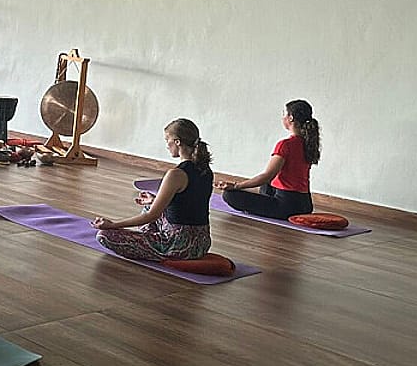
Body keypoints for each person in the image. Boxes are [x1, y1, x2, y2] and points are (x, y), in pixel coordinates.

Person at [92, 118, 213, 262]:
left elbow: (151, 216)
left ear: (177, 142)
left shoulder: (175, 174)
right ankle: (152, 240)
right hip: (202, 242)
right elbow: (189, 204)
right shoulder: (206, 170)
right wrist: (155, 201)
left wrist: (112, 225)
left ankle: (158, 248)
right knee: (150, 205)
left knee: (104, 235)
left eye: (167, 140)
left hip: (180, 246)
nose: (167, 145)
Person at [216, 99, 320, 219]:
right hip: (305, 204)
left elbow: (267, 175)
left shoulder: (285, 144)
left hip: (288, 206)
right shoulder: (308, 143)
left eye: (284, 114)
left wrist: (236, 186)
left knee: (229, 195)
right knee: (266, 185)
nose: (282, 118)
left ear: (290, 118)